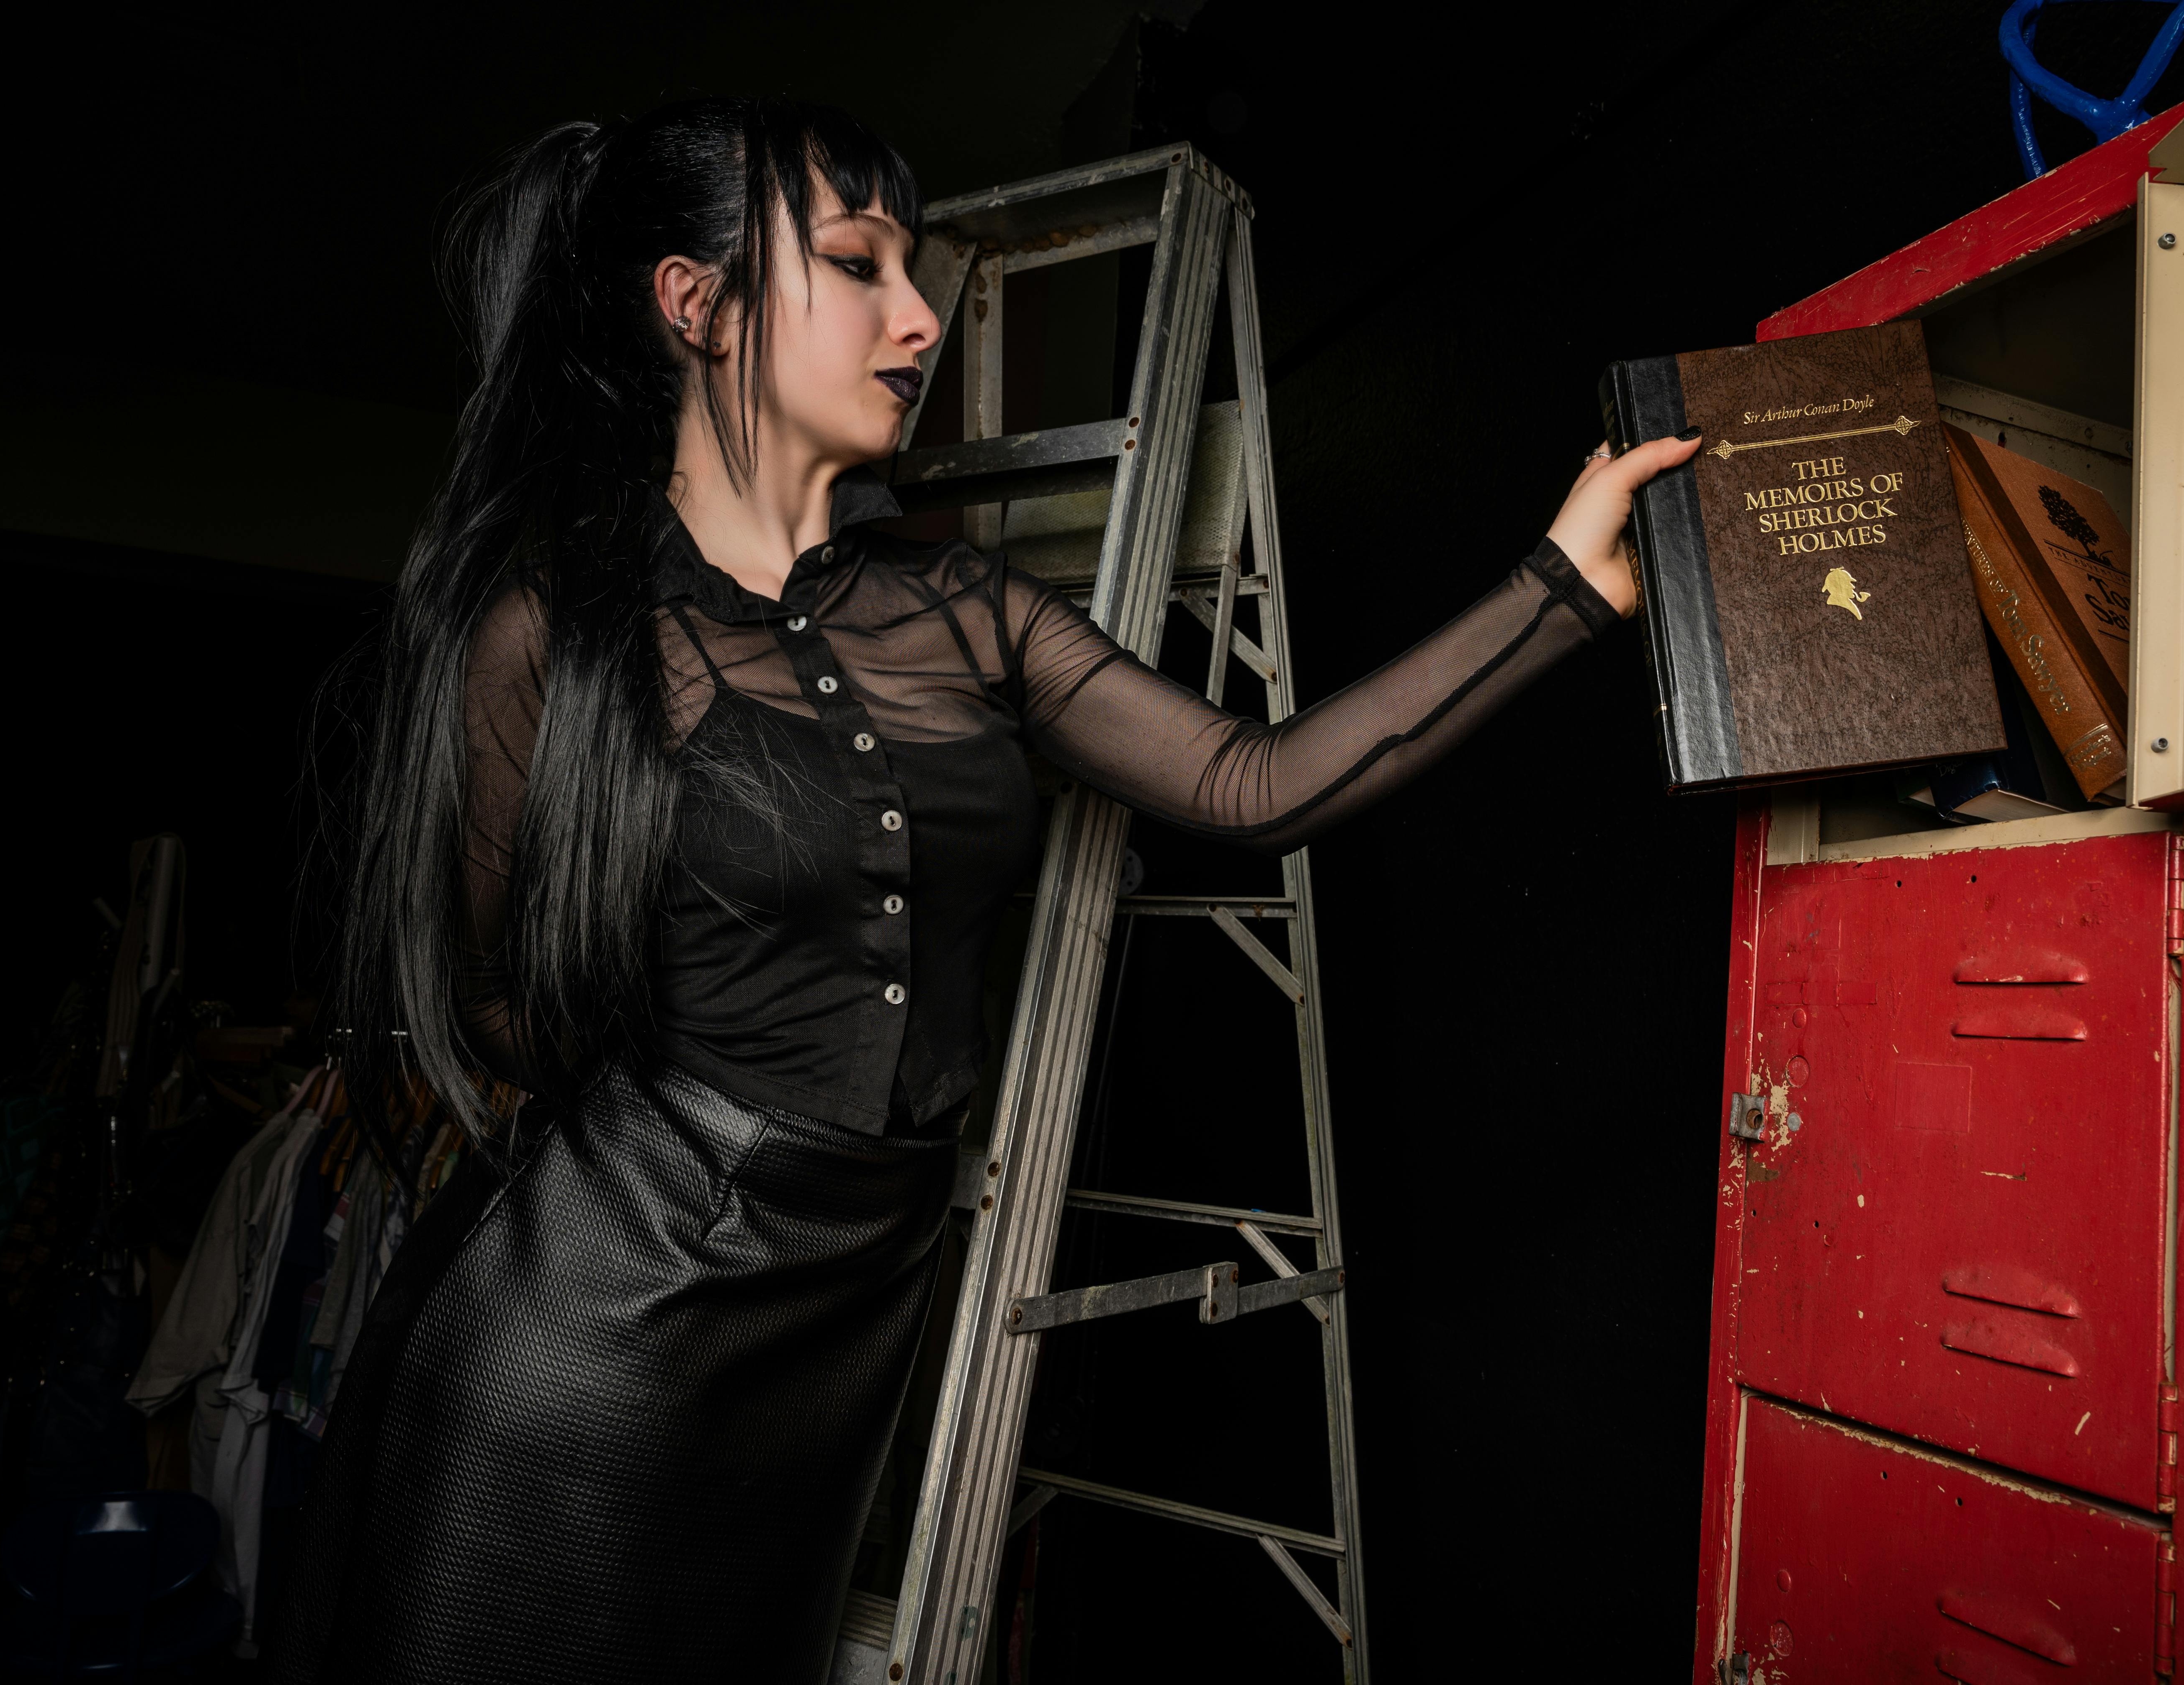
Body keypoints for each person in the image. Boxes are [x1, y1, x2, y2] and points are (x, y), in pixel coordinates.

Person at [279, 95, 1700, 1683]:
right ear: (698, 305)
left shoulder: (964, 608)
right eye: (858, 265)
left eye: (920, 269)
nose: (919, 317)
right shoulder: (550, 634)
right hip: (587, 1343)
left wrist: (1565, 583)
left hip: (838, 1344)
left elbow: (1258, 784)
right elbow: (495, 1007)